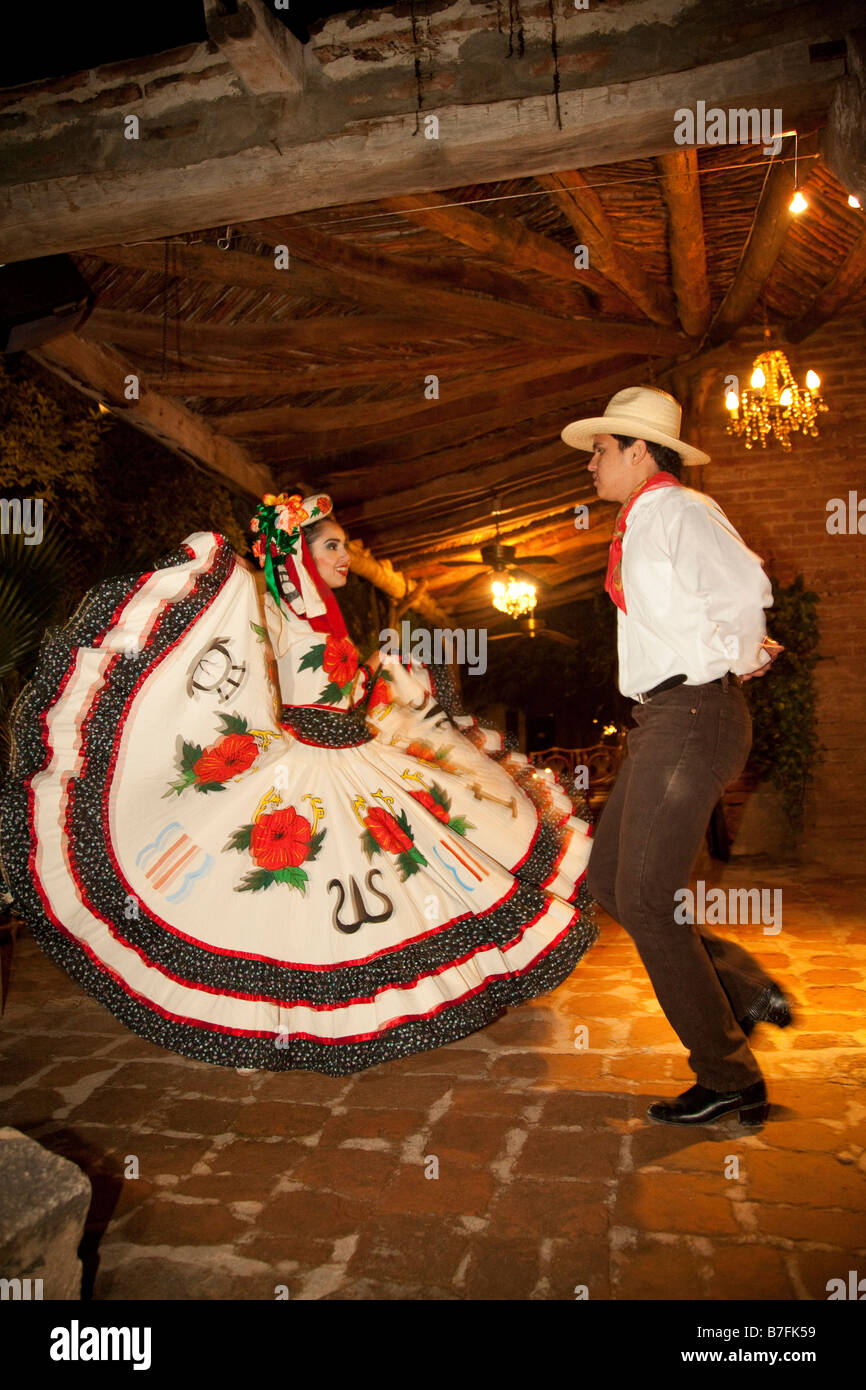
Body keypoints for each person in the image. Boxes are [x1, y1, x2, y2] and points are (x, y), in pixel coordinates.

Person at [0, 492, 595, 1074]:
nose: (346, 557)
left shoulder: (321, 615)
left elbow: (340, 691)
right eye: (333, 545)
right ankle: (280, 1023)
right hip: (306, 762)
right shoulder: (273, 612)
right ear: (298, 552)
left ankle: (326, 1018)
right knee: (294, 900)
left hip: (352, 756)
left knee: (389, 873)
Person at [561, 386, 792, 1127]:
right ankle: (739, 991)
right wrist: (735, 650)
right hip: (667, 716)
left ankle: (730, 1076)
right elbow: (706, 610)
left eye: (601, 449)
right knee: (610, 883)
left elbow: (745, 586)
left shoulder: (679, 511)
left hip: (692, 714)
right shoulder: (643, 521)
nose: (590, 463)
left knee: (651, 903)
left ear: (638, 451)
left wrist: (739, 652)